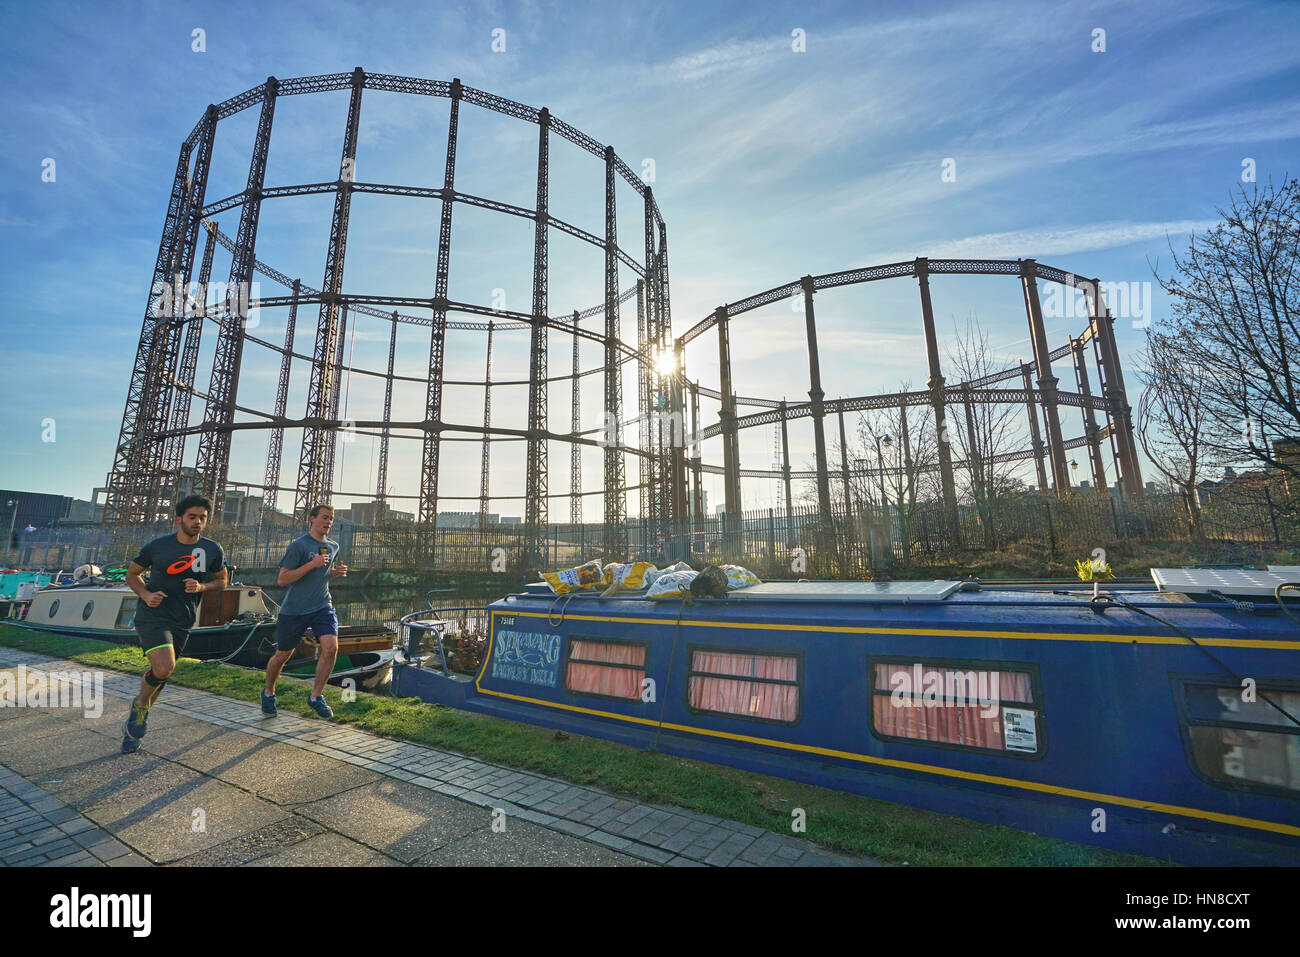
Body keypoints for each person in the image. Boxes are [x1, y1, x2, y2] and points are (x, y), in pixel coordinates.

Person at [121, 495, 227, 753]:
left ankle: (138, 718)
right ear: (179, 519)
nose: (198, 522)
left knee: (162, 674)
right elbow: (132, 574)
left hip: (184, 619)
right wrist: (146, 594)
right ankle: (139, 708)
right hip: (153, 614)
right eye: (192, 517)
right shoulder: (158, 547)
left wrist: (202, 586)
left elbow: (222, 581)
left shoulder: (213, 549)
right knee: (165, 667)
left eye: (203, 517)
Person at [262, 504, 347, 719]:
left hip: (322, 606)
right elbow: (283, 579)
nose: (328, 522)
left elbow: (321, 575)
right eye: (324, 518)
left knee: (330, 649)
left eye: (331, 519)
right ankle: (269, 691)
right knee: (283, 655)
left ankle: (316, 696)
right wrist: (312, 564)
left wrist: (335, 573)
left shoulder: (333, 546)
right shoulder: (298, 546)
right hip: (294, 610)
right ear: (312, 519)